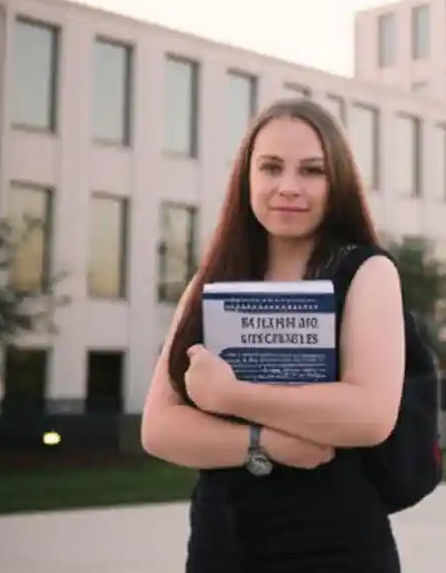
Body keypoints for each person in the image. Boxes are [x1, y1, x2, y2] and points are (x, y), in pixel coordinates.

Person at [140, 98, 407, 572]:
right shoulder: (210, 281)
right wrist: (265, 442)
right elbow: (159, 429)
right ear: (247, 178)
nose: (289, 187)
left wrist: (231, 395)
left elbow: (369, 415)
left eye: (311, 171)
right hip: (222, 544)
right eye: (270, 168)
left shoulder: (367, 271)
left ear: (337, 181)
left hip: (337, 546)